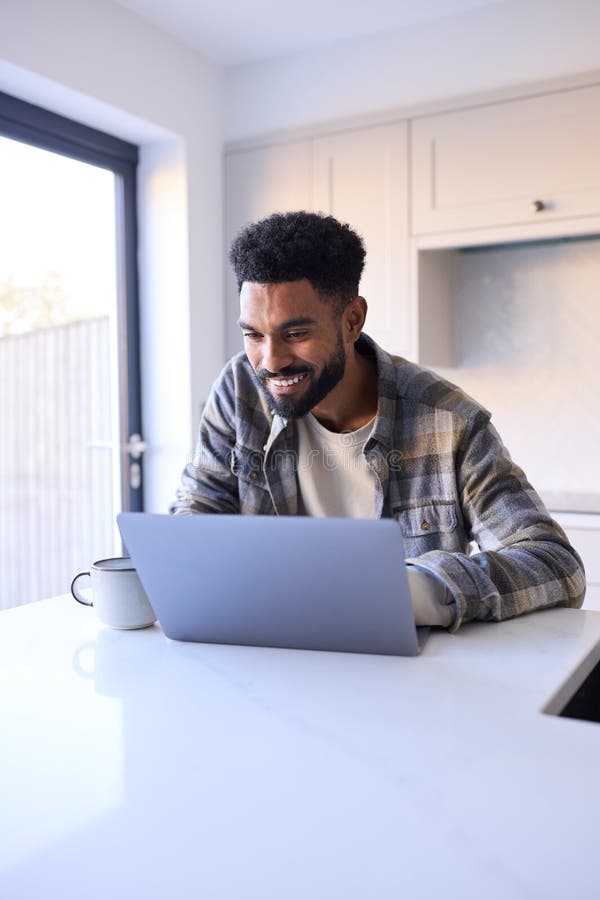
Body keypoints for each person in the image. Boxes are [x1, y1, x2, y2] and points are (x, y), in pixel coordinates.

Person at [172, 211, 585, 630]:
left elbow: (555, 565)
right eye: (254, 335)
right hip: (270, 651)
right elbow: (196, 513)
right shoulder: (240, 389)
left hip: (401, 675)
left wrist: (418, 590)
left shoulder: (449, 422)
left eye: (296, 335)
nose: (271, 361)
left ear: (352, 320)